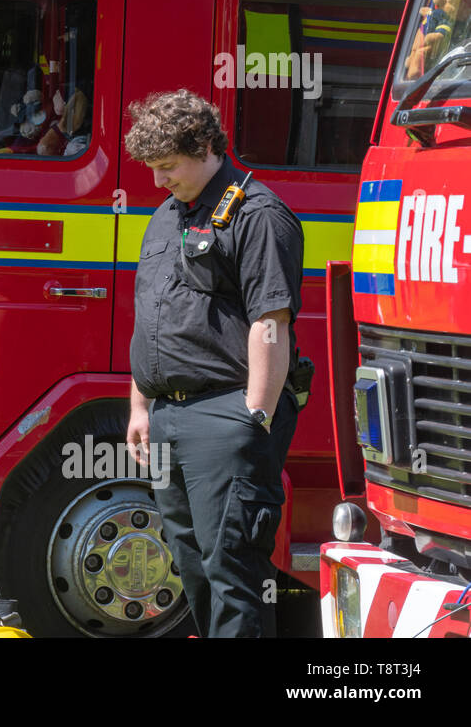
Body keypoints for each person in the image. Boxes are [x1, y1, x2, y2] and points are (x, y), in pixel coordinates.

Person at [123, 88, 304, 638]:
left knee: (232, 569)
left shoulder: (258, 214)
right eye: (153, 169)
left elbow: (271, 322)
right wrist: (140, 407)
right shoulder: (168, 214)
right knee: (192, 566)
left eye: (168, 166)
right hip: (169, 416)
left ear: (205, 146)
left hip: (226, 413)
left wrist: (254, 417)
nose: (159, 180)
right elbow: (151, 314)